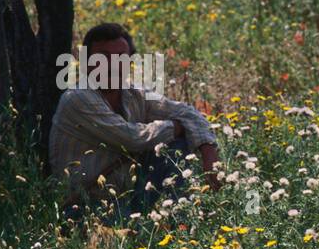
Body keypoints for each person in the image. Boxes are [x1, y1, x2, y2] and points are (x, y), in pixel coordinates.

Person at [49, 22, 221, 222]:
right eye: (104, 57)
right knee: (137, 237)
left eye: (121, 58)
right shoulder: (77, 98)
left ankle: (183, 221)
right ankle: (168, 227)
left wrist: (209, 153)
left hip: (128, 195)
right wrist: (176, 126)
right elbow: (132, 138)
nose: (113, 65)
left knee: (177, 147)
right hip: (84, 204)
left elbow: (189, 113)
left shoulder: (133, 93)